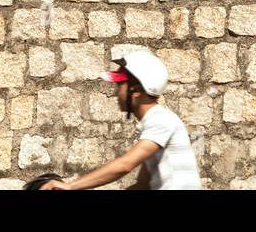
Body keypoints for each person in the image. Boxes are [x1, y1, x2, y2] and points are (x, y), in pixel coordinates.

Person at [40, 49, 202, 190]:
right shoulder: (155, 125)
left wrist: (70, 186)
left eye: (120, 85)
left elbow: (125, 165)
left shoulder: (160, 120)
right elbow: (143, 185)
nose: (116, 93)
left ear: (136, 90)